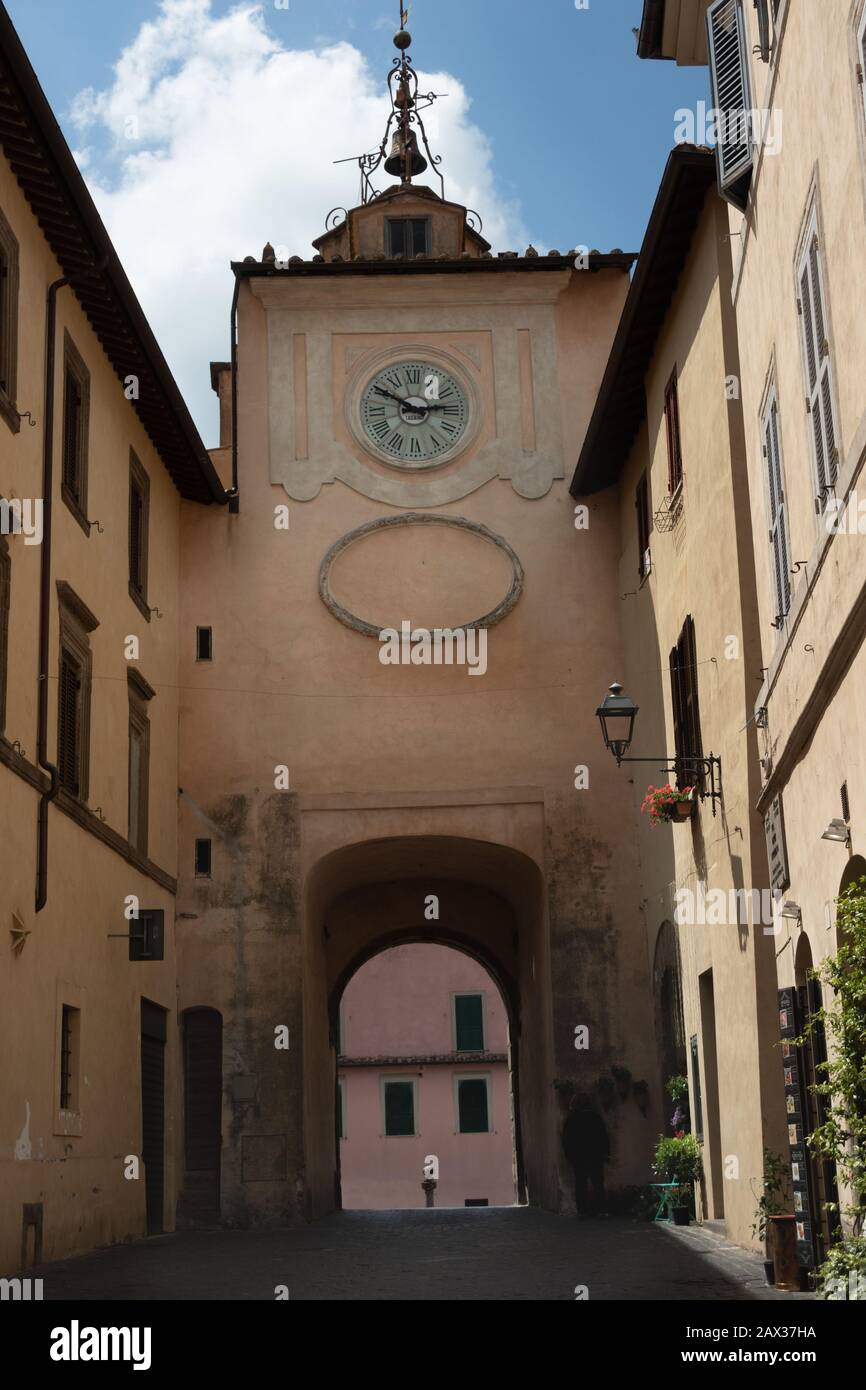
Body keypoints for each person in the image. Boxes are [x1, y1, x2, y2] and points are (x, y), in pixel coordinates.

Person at [561, 1090, 610, 1215]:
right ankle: (601, 1210)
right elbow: (603, 1136)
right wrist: (605, 1153)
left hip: (579, 1157)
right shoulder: (595, 1117)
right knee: (598, 1183)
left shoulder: (571, 1120)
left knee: (580, 1184)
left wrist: (569, 1155)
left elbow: (566, 1140)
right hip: (595, 1156)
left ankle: (582, 1211)